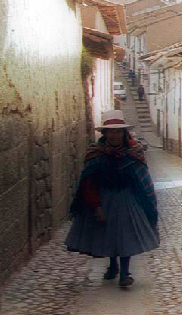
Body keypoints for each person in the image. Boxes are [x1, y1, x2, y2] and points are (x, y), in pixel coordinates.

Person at [66, 110, 159, 287]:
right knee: (108, 233)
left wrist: (147, 202)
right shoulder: (95, 153)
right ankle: (112, 265)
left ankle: (125, 273)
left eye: (118, 131)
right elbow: (89, 182)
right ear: (104, 133)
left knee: (125, 233)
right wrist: (96, 206)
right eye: (111, 131)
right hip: (103, 199)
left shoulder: (134, 151)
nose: (115, 135)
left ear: (124, 133)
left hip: (128, 199)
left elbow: (143, 178)